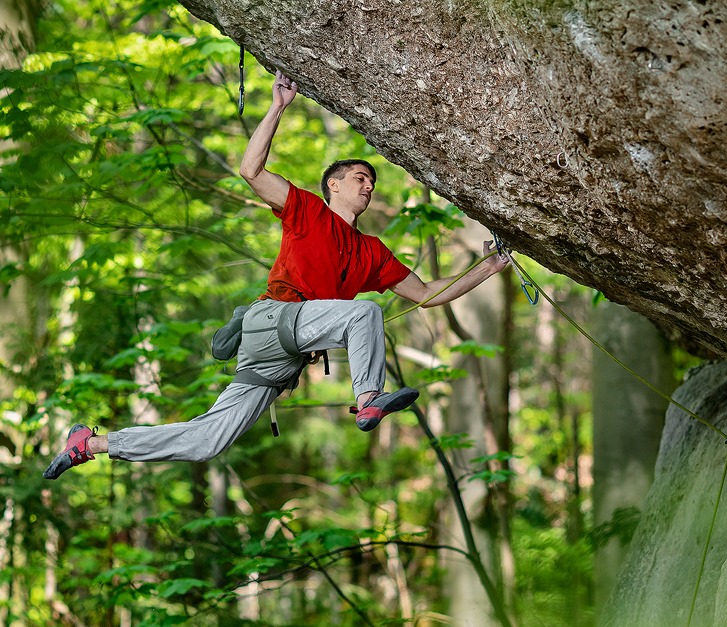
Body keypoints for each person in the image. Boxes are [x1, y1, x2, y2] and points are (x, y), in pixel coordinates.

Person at [43, 72, 509, 479]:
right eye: (359, 178)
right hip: (273, 321)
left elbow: (427, 293)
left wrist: (488, 266)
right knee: (363, 313)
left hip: (285, 355)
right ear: (334, 184)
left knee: (208, 441)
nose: (369, 186)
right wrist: (277, 107)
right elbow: (251, 170)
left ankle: (92, 443)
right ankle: (369, 397)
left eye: (373, 182)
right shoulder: (307, 209)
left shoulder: (371, 251)